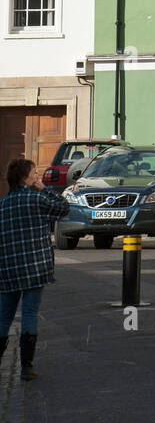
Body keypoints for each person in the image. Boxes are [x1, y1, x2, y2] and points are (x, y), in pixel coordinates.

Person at [0, 158, 69, 380]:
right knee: (29, 313)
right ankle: (26, 367)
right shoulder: (37, 198)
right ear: (24, 178)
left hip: (8, 268)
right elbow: (63, 208)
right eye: (34, 174)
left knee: (4, 317)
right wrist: (45, 189)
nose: (37, 177)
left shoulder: (3, 204)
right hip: (35, 267)